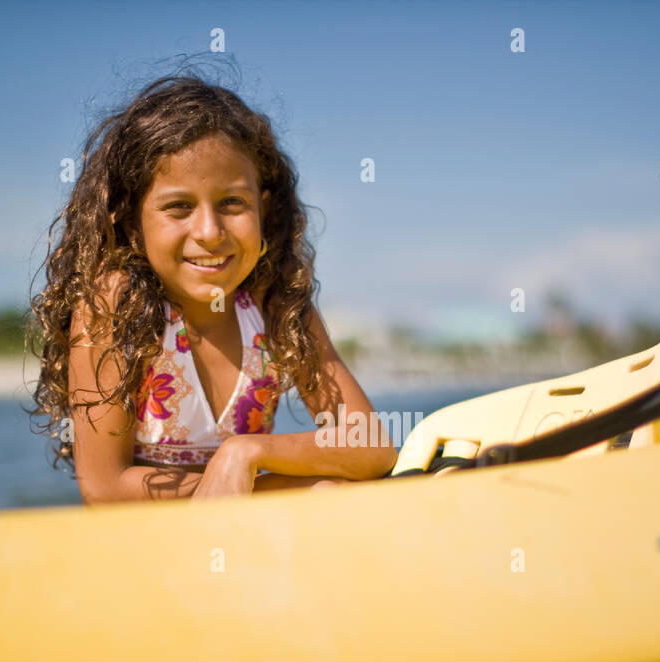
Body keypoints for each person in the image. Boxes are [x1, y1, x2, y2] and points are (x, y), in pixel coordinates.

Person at [29, 73, 396, 502]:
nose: (209, 231)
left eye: (232, 203)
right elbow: (105, 487)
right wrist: (284, 487)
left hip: (249, 550)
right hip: (149, 552)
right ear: (131, 220)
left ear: (264, 205)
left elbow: (370, 446)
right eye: (179, 207)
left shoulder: (273, 303)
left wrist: (246, 452)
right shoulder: (115, 304)